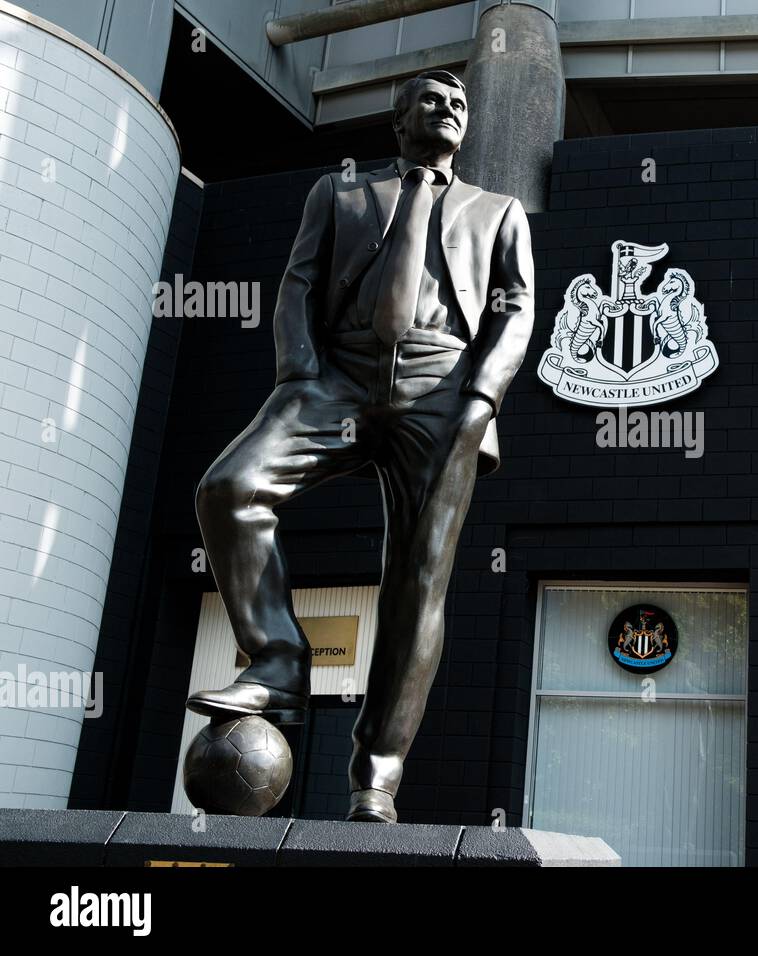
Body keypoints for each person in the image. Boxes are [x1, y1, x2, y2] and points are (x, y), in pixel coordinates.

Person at [185, 70, 533, 823]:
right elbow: (295, 286)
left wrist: (480, 401)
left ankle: (377, 772)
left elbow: (517, 310)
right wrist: (299, 375)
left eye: (461, 103)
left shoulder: (498, 211)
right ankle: (278, 660)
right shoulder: (338, 194)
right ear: (399, 117)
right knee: (229, 488)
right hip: (336, 378)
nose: (449, 109)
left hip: (442, 390)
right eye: (433, 99)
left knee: (418, 579)